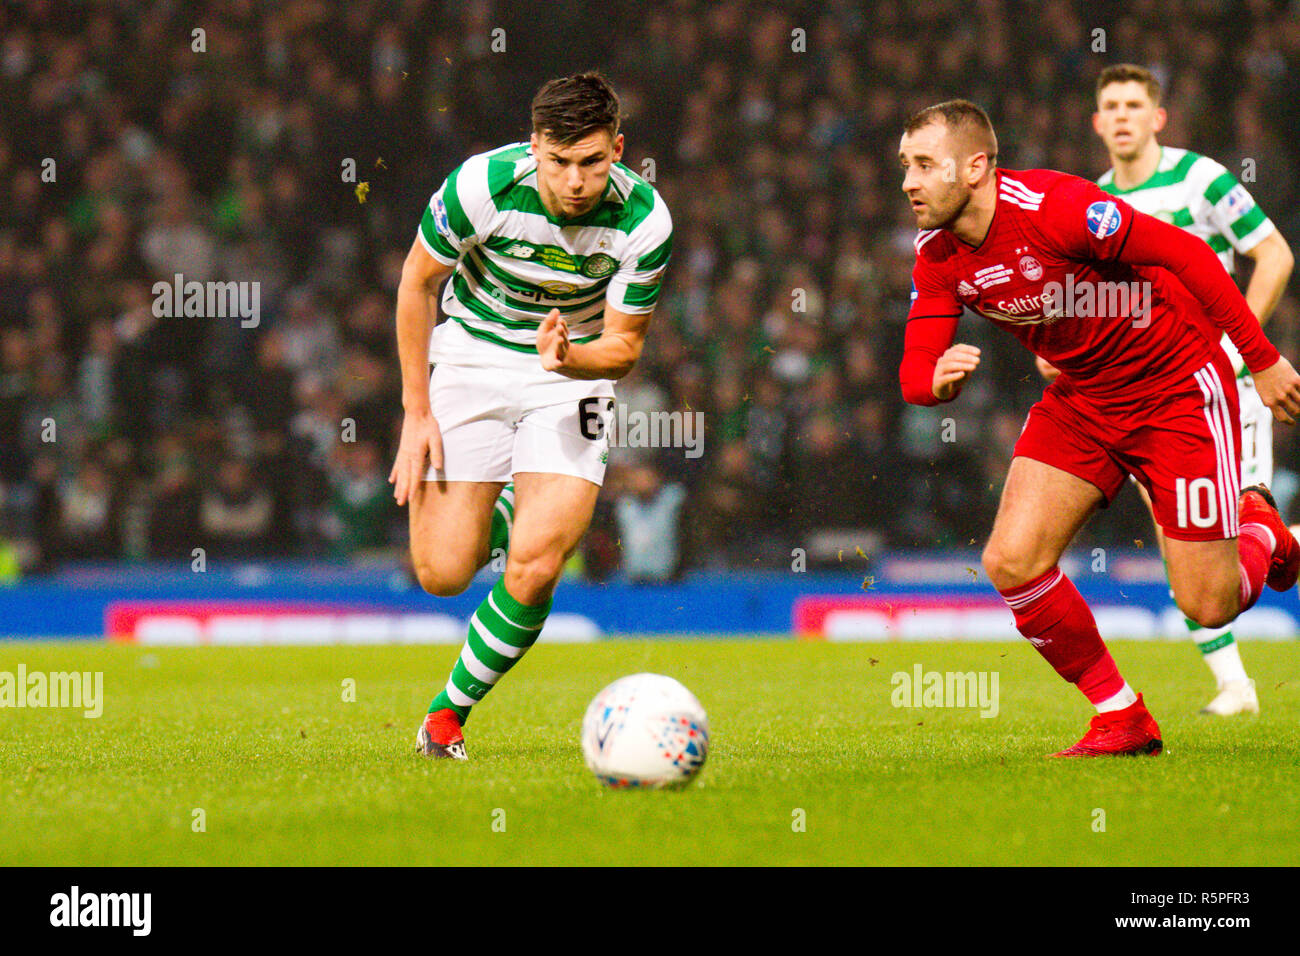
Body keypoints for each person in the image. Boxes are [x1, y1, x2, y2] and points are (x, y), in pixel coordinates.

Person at [898, 99, 1300, 757]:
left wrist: (1260, 360)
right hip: (1084, 399)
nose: (909, 182)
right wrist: (934, 384)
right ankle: (1122, 716)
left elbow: (1189, 255)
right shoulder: (938, 254)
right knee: (1011, 561)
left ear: (974, 167)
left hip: (1175, 388)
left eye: (922, 165)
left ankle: (1259, 526)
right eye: (904, 166)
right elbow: (915, 372)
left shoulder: (1060, 209)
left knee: (1209, 605)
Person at [389, 72, 673, 759]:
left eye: (593, 162)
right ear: (534, 145)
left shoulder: (645, 220)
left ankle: (446, 715)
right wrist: (415, 411)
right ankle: (519, 503)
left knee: (537, 567)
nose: (576, 181)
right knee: (443, 572)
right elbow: (417, 282)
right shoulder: (479, 188)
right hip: (469, 361)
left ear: (619, 149)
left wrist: (570, 361)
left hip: (569, 375)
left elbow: (624, 349)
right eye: (560, 161)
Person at [1069, 64, 1294, 715]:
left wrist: (1238, 343)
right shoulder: (1091, 204)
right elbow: (1091, 301)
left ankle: (1283, 541)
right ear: (1095, 121)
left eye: (1134, 104)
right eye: (1109, 105)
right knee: (1180, 540)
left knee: (1242, 520)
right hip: (1144, 396)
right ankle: (1235, 685)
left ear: (1158, 117)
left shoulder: (1201, 179)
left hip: (1220, 382)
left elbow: (1273, 253)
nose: (1121, 116)